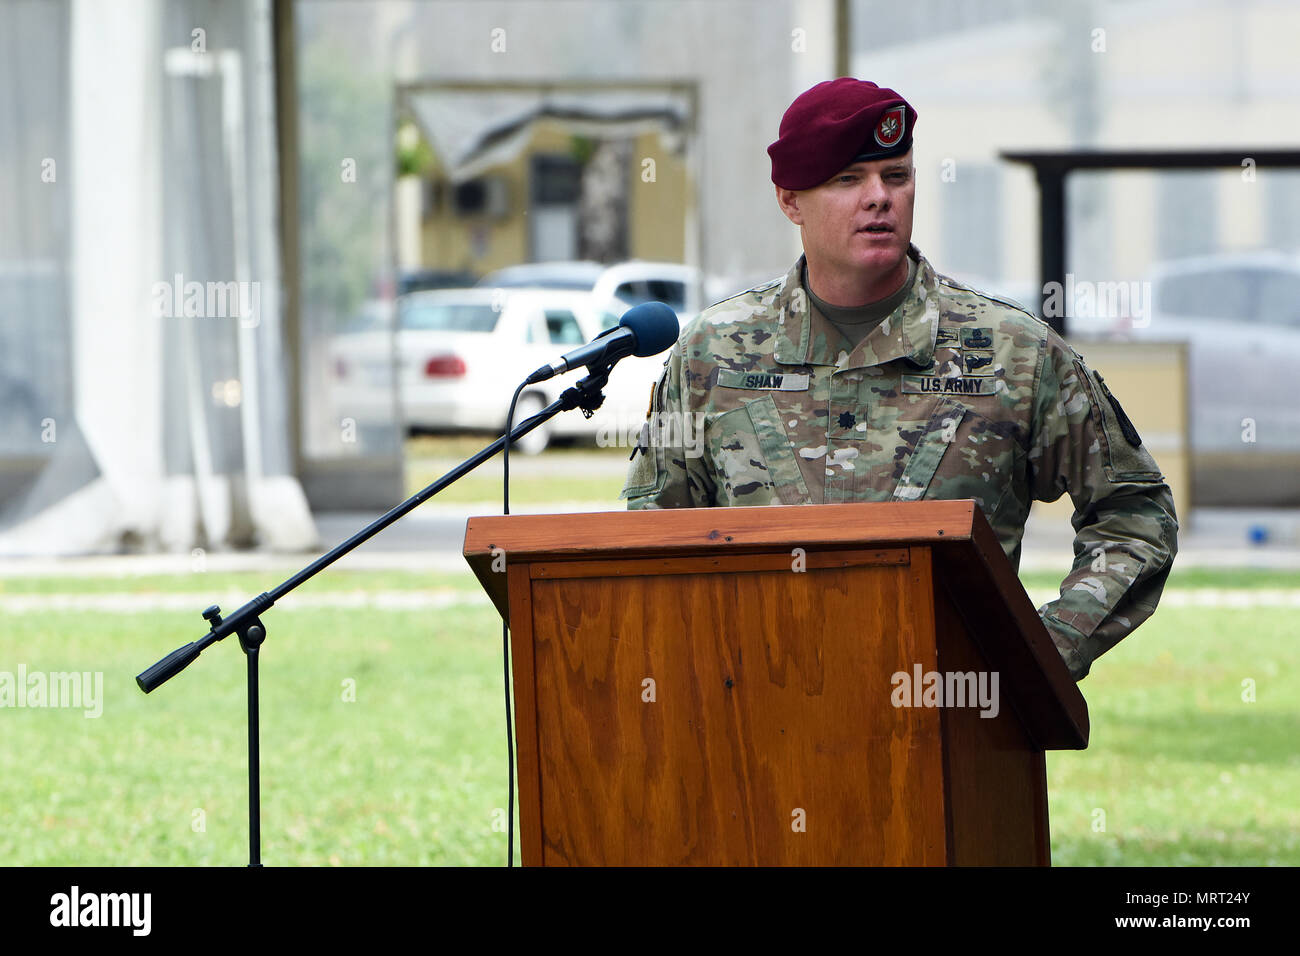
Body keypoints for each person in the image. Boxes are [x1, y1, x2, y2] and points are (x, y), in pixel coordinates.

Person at [621, 77, 1178, 682]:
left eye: (896, 175)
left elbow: (1135, 509)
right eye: (848, 180)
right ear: (789, 200)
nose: (879, 198)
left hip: (951, 721)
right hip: (756, 722)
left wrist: (1048, 647)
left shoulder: (1013, 352)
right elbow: (653, 534)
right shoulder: (714, 353)